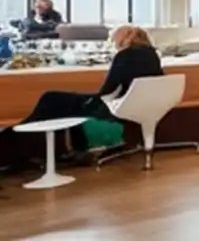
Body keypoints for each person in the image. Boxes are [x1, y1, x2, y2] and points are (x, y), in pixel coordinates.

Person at [4, 25, 163, 154]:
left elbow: (107, 91)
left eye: (114, 40)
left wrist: (87, 99)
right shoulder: (152, 55)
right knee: (58, 103)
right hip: (143, 105)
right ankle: (50, 147)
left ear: (123, 39)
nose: (113, 43)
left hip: (118, 108)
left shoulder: (124, 56)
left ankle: (16, 139)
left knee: (51, 98)